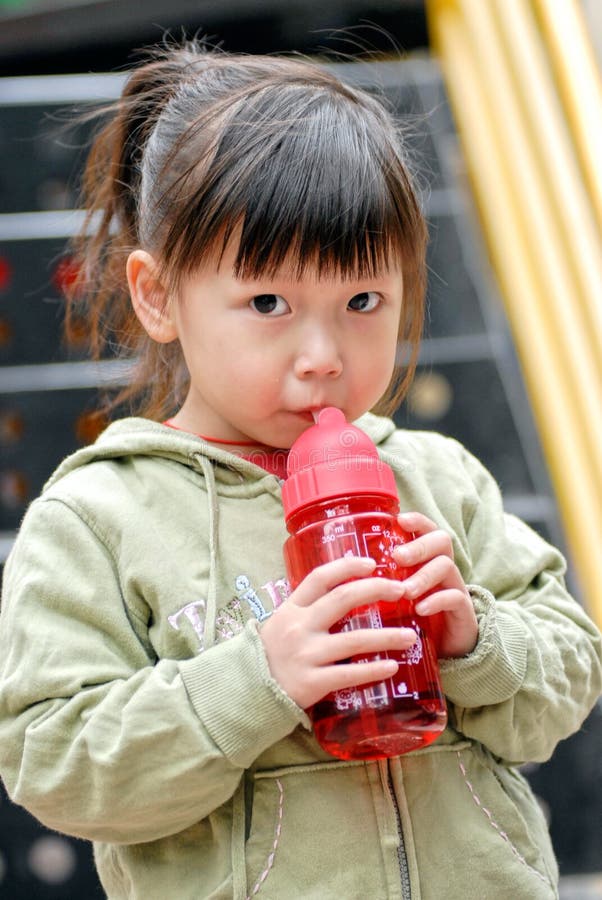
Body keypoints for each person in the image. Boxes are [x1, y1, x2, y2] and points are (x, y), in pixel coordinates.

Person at [0, 39, 600, 900]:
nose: (323, 355)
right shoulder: (101, 517)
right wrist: (258, 679)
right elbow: (51, 760)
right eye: (269, 303)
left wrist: (478, 643)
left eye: (363, 301)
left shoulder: (439, 479)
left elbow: (571, 672)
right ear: (158, 295)